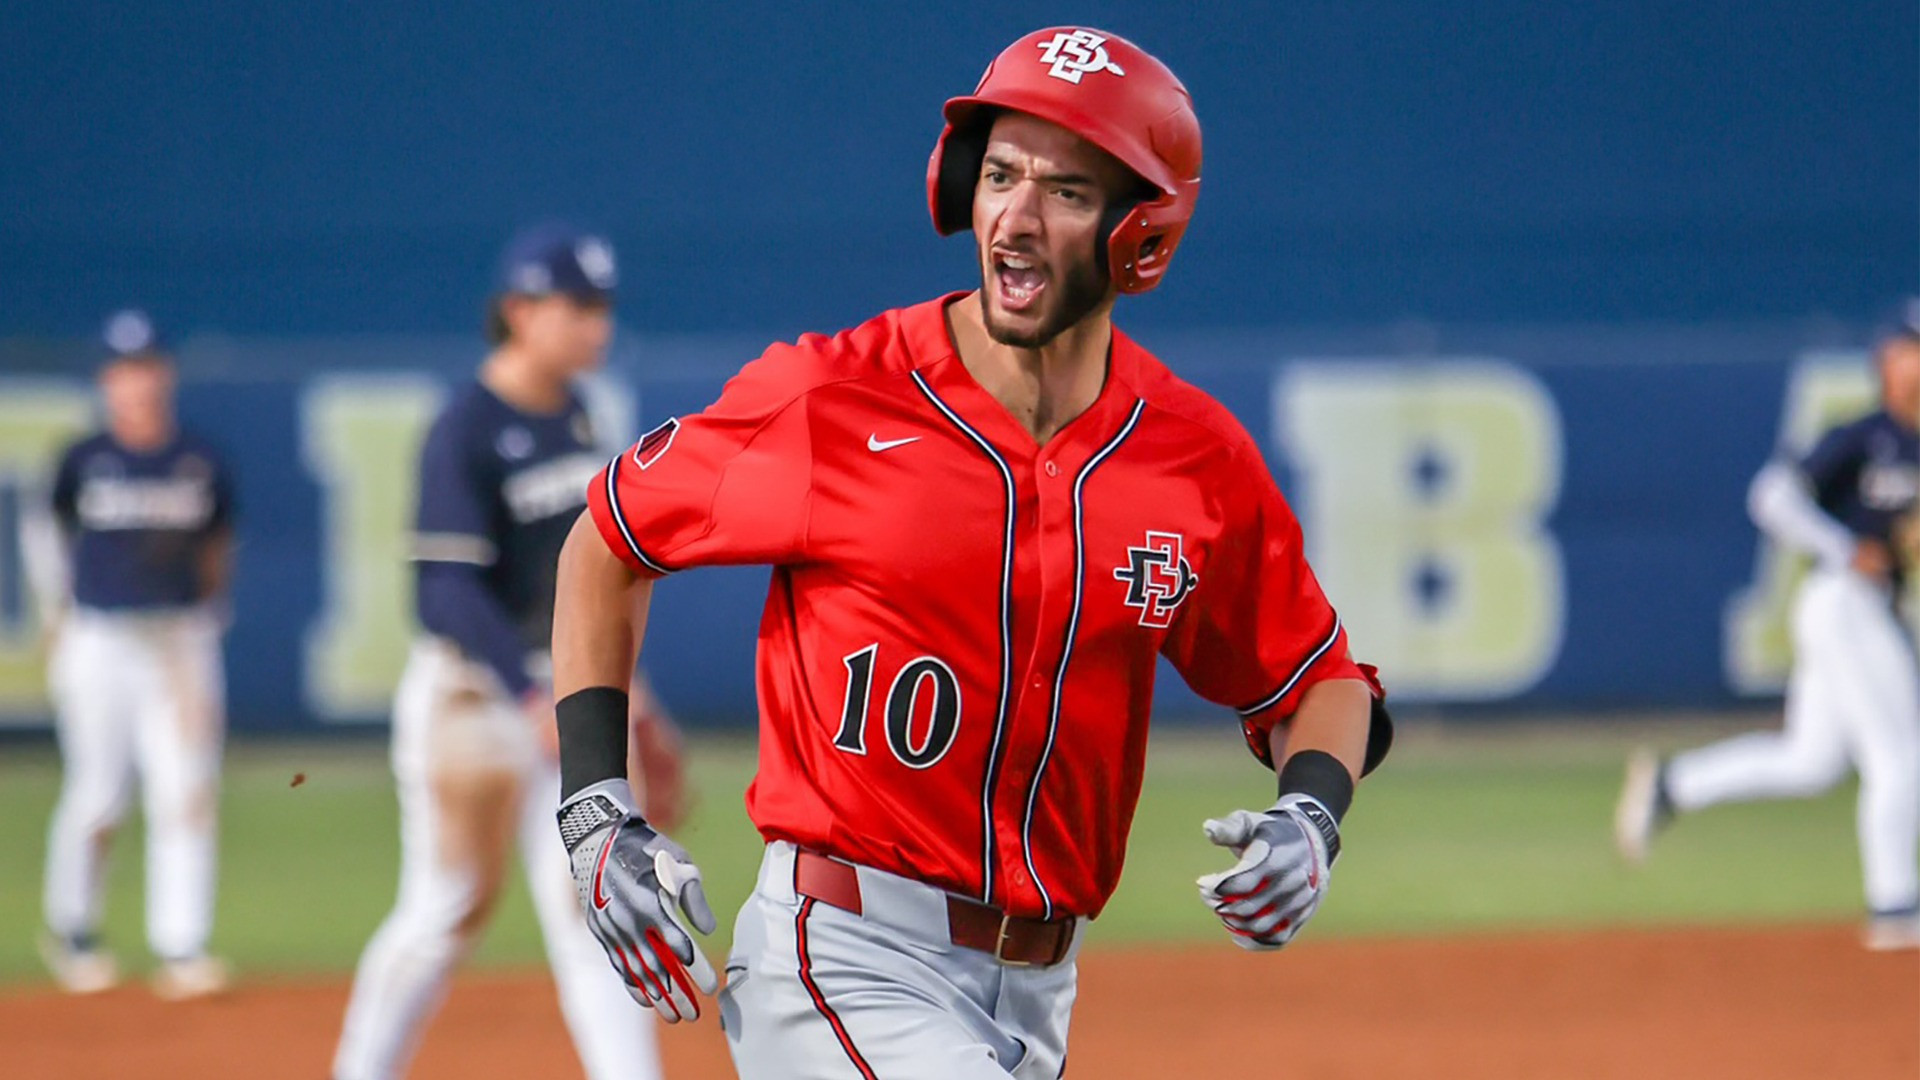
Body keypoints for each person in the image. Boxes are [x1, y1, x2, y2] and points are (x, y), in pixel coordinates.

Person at [546, 28, 1391, 1079]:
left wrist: (1311, 816)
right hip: (839, 958)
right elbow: (609, 540)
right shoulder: (835, 397)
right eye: (998, 175)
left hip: (1038, 991)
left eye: (1066, 192)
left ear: (1142, 235)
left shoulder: (1191, 460)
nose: (1015, 219)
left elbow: (1321, 680)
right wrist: (595, 808)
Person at [332, 225, 690, 1080]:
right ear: (519, 311)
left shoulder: (578, 414)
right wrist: (532, 698)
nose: (596, 326)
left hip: (566, 690)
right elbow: (446, 591)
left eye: (602, 308)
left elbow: (595, 585)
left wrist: (636, 703)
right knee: (446, 909)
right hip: (475, 699)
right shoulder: (466, 427)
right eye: (577, 307)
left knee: (600, 901)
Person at [1616, 307, 1920, 951]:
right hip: (1841, 602)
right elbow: (1772, 496)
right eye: (1909, 349)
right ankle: (1896, 908)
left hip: (1867, 611)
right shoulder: (1866, 436)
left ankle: (1675, 785)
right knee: (1901, 753)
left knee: (1812, 763)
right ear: (1885, 360)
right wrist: (1845, 548)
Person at [34, 310, 236, 999]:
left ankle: (181, 944)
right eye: (123, 370)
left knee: (186, 792)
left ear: (165, 373)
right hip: (102, 641)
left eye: (146, 367)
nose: (136, 382)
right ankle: (73, 927)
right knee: (99, 794)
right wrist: (55, 615)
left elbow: (218, 547)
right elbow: (50, 535)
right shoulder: (84, 458)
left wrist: (207, 616)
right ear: (105, 381)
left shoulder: (199, 458)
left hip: (179, 642)